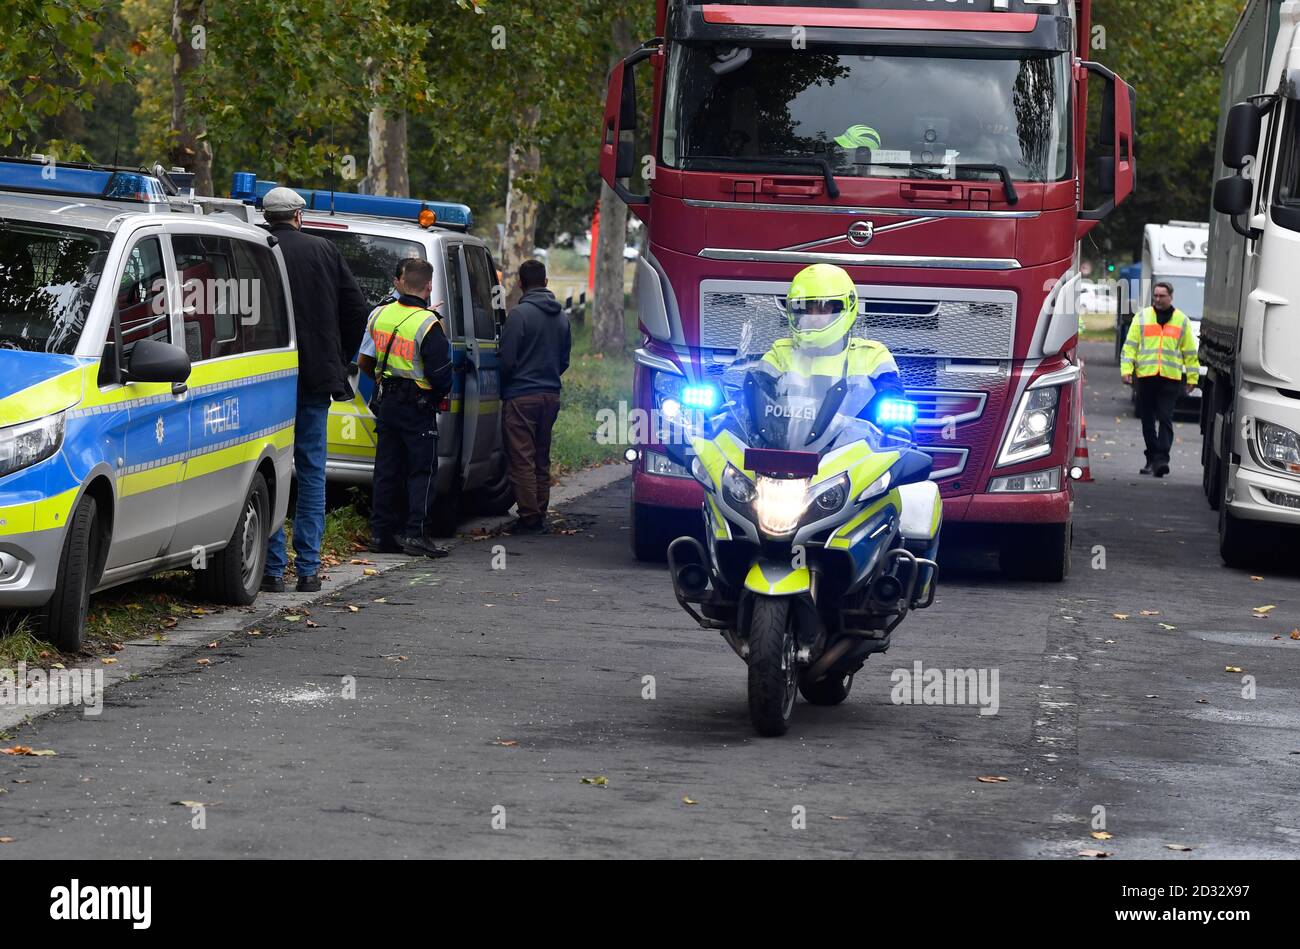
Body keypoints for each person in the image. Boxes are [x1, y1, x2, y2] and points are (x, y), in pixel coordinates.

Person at [261, 187, 370, 594]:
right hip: (314, 378)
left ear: (266, 216)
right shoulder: (324, 251)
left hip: (268, 378)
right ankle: (308, 570)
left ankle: (270, 570)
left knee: (269, 469)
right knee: (310, 470)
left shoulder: (259, 246)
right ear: (299, 216)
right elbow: (356, 309)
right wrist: (337, 357)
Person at [358, 258, 454, 558]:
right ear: (428, 286)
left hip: (387, 402)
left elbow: (364, 361)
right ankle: (415, 535)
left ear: (401, 282)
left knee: (387, 469)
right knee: (421, 471)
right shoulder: (429, 324)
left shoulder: (379, 315)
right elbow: (442, 377)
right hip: (417, 406)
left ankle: (381, 535)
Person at [759, 262, 905, 422]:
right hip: (784, 445)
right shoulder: (780, 354)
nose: (813, 318)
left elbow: (894, 402)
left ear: (846, 307)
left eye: (823, 309)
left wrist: (898, 429)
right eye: (807, 310)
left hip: (853, 446)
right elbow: (750, 400)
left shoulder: (872, 356)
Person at [500, 259, 571, 533]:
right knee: (542, 456)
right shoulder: (562, 317)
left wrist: (510, 383)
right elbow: (564, 360)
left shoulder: (518, 315)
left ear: (520, 283)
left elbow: (506, 360)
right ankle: (540, 511)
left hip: (521, 396)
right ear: (546, 282)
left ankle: (529, 517)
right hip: (550, 396)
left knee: (522, 458)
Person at [1121, 281, 1199, 478]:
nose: (1157, 299)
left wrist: (1192, 377)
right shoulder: (1142, 317)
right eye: (1155, 295)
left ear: (1170, 297)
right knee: (1147, 420)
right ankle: (1152, 458)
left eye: (1161, 296)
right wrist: (1126, 370)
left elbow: (1189, 352)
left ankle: (1161, 459)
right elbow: (1130, 346)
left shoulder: (1181, 320)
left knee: (1165, 418)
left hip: (1169, 378)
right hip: (1146, 377)